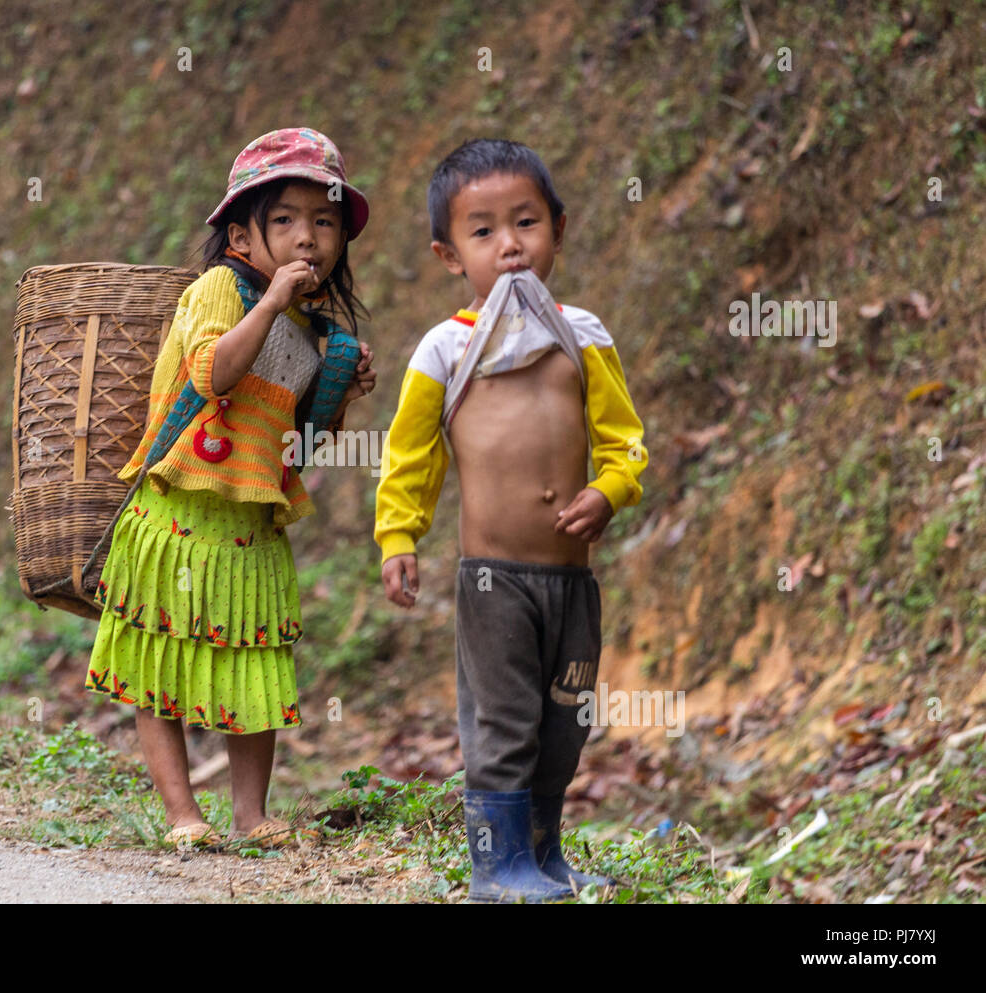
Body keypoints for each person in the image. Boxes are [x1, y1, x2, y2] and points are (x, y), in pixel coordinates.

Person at [85, 127, 376, 849]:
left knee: (256, 670)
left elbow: (300, 445)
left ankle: (252, 815)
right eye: (284, 220)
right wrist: (270, 303)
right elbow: (213, 374)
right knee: (157, 661)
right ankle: (184, 815)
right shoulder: (219, 289)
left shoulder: (319, 336)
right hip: (175, 513)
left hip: (251, 526)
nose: (307, 236)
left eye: (324, 221)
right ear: (242, 239)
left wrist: (342, 394)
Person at [374, 138, 648, 901]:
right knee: (504, 723)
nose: (511, 246)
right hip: (494, 581)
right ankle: (497, 866)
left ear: (558, 228)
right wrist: (400, 535)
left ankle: (542, 854)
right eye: (484, 231)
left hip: (571, 581)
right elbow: (411, 455)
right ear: (449, 253)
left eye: (526, 223)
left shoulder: (583, 335)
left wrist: (610, 488)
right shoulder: (447, 347)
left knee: (564, 727)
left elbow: (626, 441)